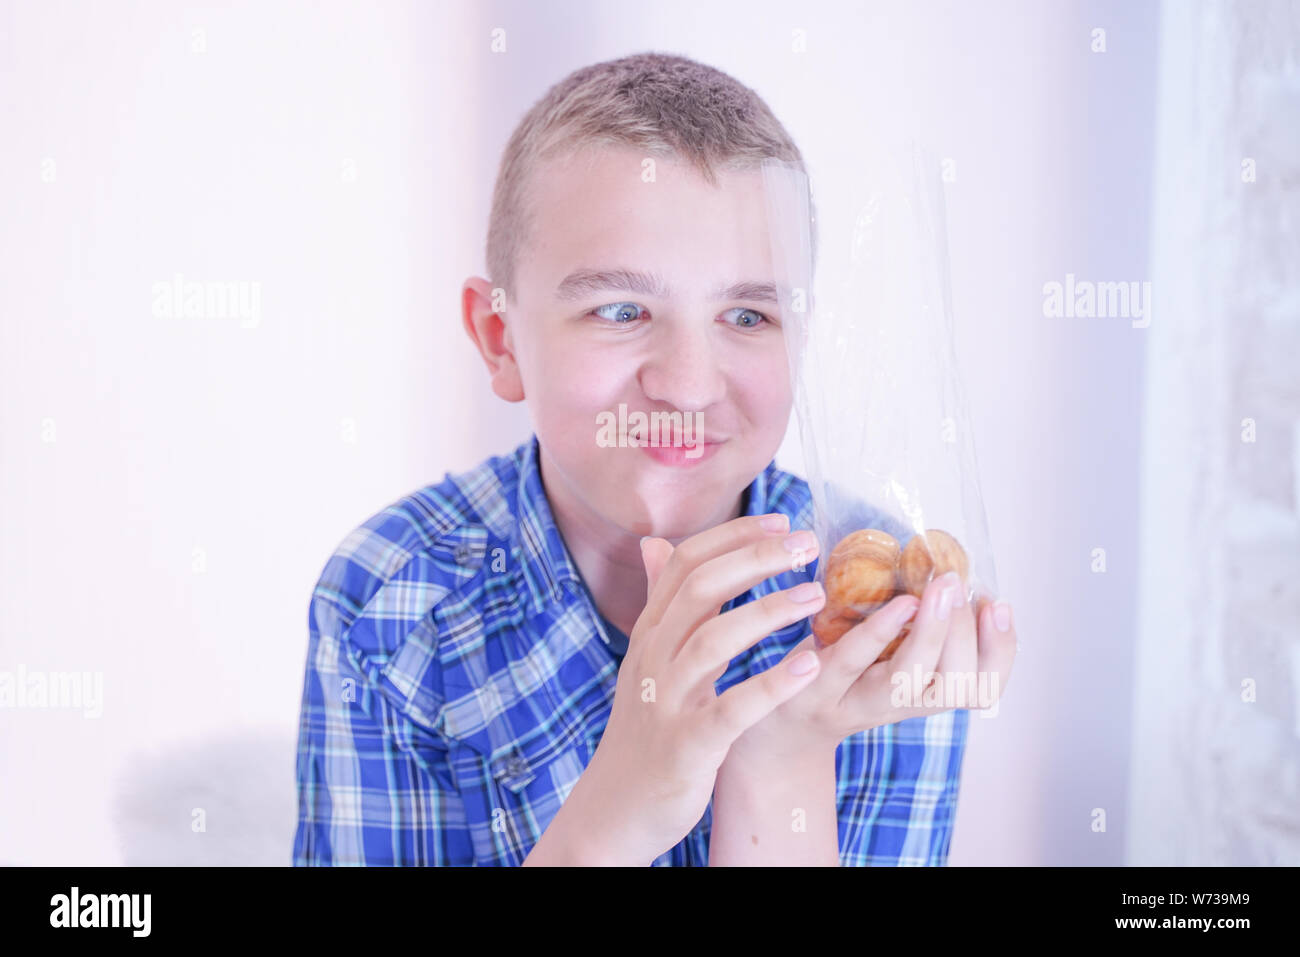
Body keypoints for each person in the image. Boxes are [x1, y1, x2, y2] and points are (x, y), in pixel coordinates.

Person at [293, 51, 1017, 866]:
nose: (686, 384)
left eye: (747, 316)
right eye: (622, 308)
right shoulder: (391, 605)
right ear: (501, 339)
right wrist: (613, 818)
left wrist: (780, 762)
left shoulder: (883, 615)